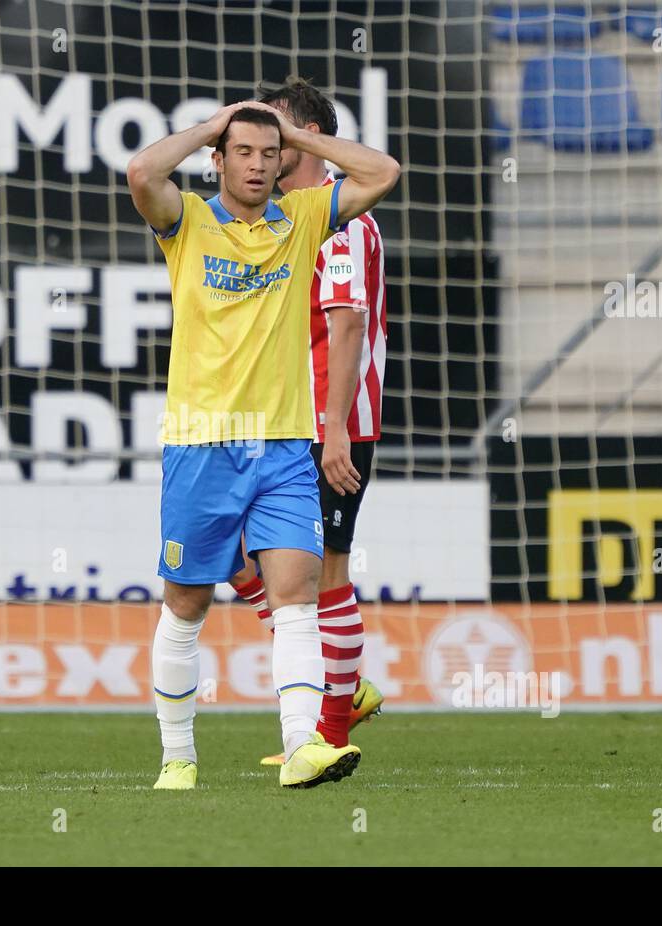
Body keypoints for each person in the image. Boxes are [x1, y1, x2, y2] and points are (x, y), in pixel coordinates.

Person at [126, 98, 399, 788]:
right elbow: (140, 170)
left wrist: (298, 135)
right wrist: (214, 126)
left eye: (268, 155)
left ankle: (304, 744)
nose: (256, 164)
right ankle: (178, 756)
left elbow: (384, 171)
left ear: (284, 164)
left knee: (296, 598)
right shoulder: (186, 219)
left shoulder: (305, 218)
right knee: (185, 606)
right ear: (217, 160)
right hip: (201, 441)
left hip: (282, 443)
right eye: (242, 153)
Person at [230, 79, 390, 767]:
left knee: (324, 573)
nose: (269, 148)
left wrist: (333, 431)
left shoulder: (342, 220)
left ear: (311, 139)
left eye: (283, 135)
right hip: (288, 419)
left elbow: (347, 325)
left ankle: (332, 724)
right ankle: (341, 683)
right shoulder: (294, 217)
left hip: (332, 421)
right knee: (241, 556)